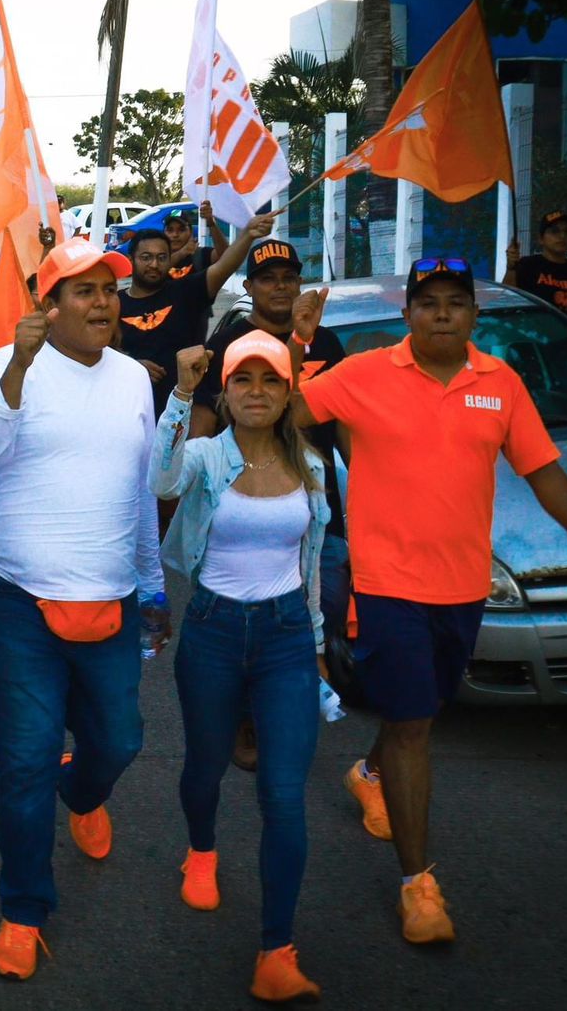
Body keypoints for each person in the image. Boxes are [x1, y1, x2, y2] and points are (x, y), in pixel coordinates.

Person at [286, 256, 567, 945]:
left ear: (473, 314)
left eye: (454, 302)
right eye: (427, 301)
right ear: (407, 314)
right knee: (414, 724)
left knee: (420, 711)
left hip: (463, 589)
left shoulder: (501, 383)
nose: (440, 313)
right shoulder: (366, 373)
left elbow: (540, 465)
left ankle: (368, 770)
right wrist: (295, 344)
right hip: (387, 586)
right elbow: (286, 411)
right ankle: (418, 884)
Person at [0, 236, 169, 981]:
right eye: (83, 291)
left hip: (111, 597)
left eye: (109, 290)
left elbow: (142, 487)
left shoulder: (132, 380)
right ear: (47, 308)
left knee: (119, 742)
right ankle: (22, 911)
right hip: (20, 599)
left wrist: (152, 582)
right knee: (22, 762)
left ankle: (83, 794)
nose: (103, 302)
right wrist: (17, 369)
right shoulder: (5, 368)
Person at [151, 333, 330, 1004]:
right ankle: (201, 850)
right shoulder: (202, 456)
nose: (256, 391)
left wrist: (315, 648)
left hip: (285, 639)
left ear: (287, 394)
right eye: (243, 379)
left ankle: (276, 950)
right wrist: (181, 394)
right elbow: (159, 482)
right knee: (205, 764)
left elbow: (311, 568)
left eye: (270, 380)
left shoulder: (310, 463)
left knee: (283, 794)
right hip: (215, 632)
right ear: (225, 392)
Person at [191, 240, 352, 772]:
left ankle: (280, 710)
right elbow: (206, 420)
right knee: (241, 625)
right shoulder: (231, 342)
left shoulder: (327, 340)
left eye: (289, 276)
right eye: (268, 277)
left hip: (314, 507)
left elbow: (346, 426)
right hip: (241, 510)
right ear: (251, 287)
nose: (280, 285)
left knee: (314, 614)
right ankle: (247, 717)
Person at [117, 213, 276, 417]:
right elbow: (100, 351)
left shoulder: (187, 292)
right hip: (130, 412)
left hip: (184, 414)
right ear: (132, 259)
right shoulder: (114, 303)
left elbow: (224, 265)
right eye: (146, 257)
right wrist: (133, 367)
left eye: (161, 257)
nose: (154, 265)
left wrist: (248, 234)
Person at [504, 210, 567, 324]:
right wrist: (511, 268)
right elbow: (506, 300)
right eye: (555, 231)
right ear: (540, 239)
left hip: (566, 340)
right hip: (533, 338)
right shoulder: (527, 265)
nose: (562, 236)